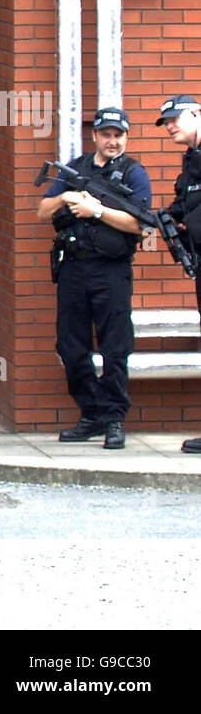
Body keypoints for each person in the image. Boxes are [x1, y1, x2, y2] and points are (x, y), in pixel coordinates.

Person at [39, 108, 150, 450]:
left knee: (115, 349)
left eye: (119, 135)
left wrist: (96, 210)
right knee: (71, 346)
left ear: (126, 137)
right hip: (74, 268)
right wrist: (66, 197)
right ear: (95, 136)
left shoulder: (134, 173)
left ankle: (114, 419)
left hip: (112, 271)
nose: (113, 141)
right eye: (107, 135)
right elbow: (43, 210)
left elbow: (139, 224)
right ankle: (93, 413)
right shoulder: (76, 169)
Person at [157, 95, 201, 454]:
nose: (170, 126)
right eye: (166, 122)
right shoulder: (191, 162)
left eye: (176, 118)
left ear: (197, 113)